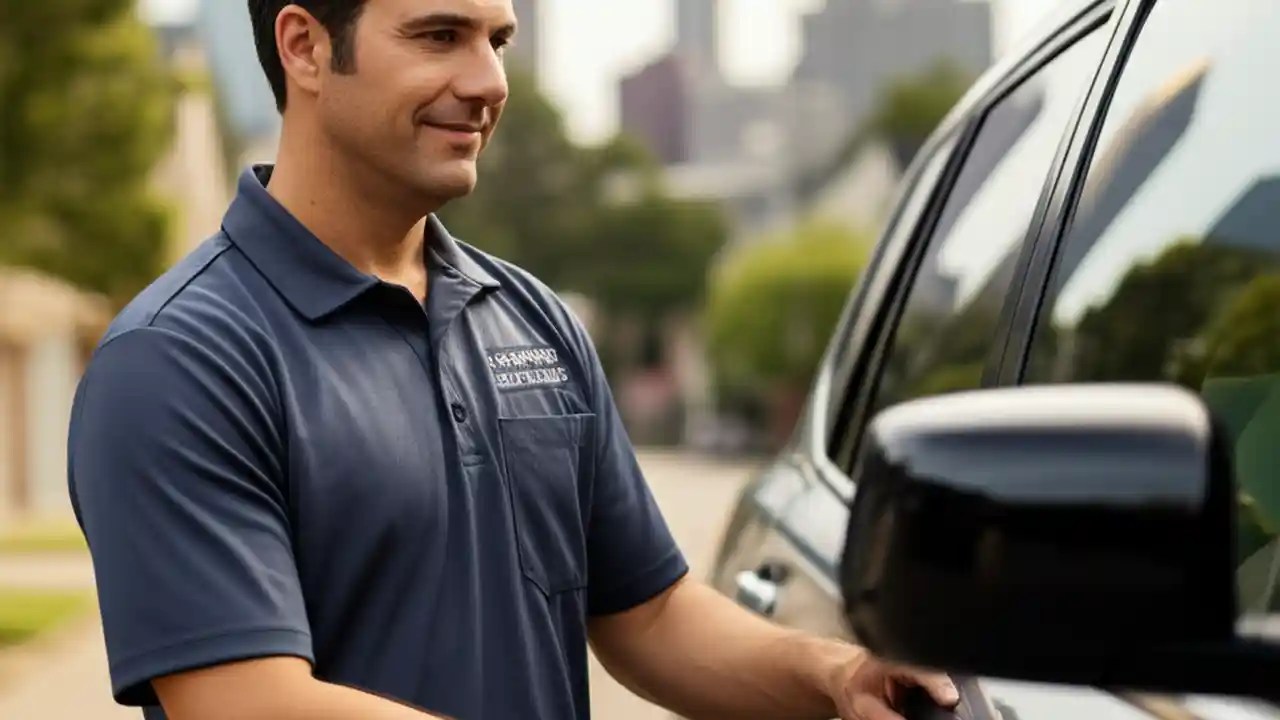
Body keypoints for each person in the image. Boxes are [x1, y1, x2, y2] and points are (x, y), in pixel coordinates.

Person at [66, 1, 959, 718]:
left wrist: (834, 675)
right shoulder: (178, 360)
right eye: (439, 36)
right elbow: (245, 703)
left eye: (498, 40)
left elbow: (650, 616)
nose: (488, 81)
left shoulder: (530, 317)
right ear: (303, 47)